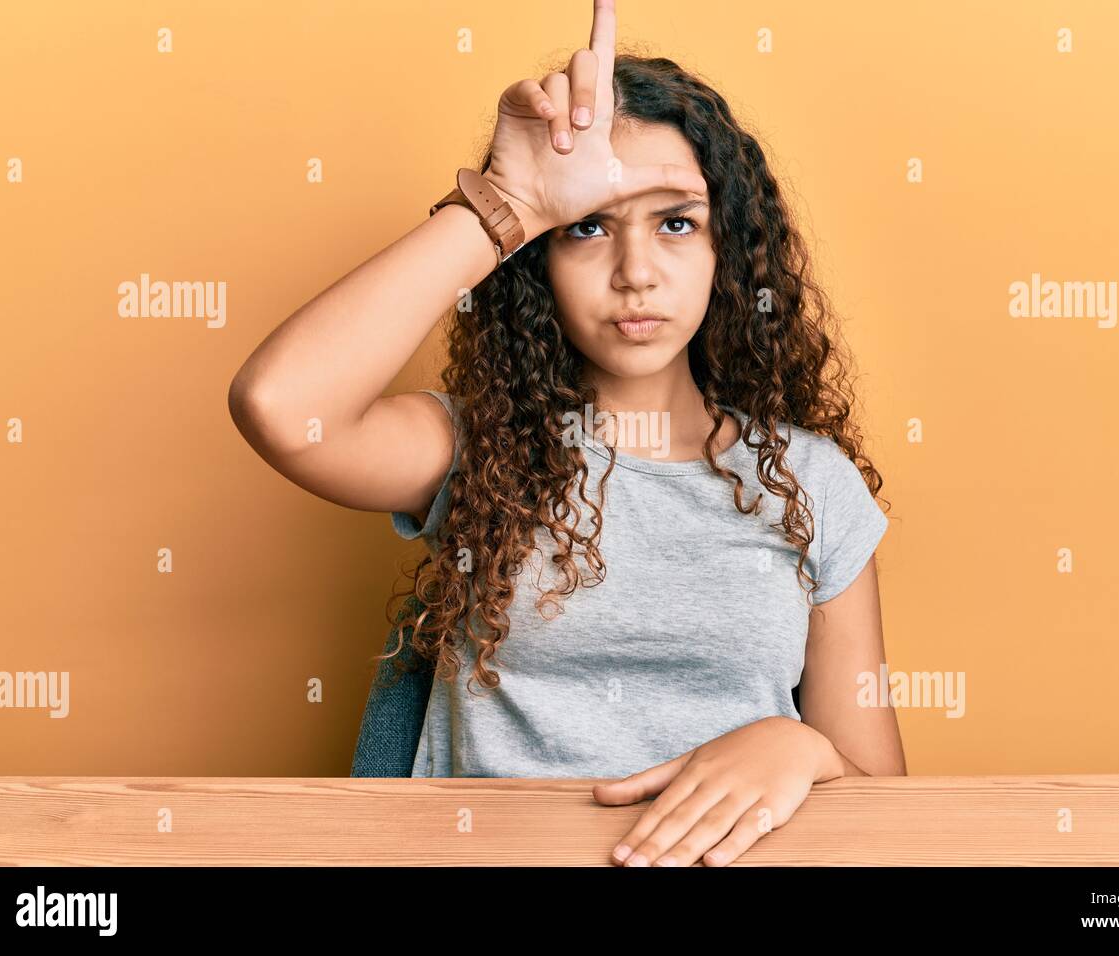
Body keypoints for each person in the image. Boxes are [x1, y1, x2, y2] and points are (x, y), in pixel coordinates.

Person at [228, 0, 906, 867]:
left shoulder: (811, 484)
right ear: (537, 261)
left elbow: (888, 815)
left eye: (675, 222)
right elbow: (280, 405)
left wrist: (807, 750)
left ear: (727, 252)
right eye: (588, 228)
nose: (635, 273)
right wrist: (506, 206)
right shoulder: (477, 450)